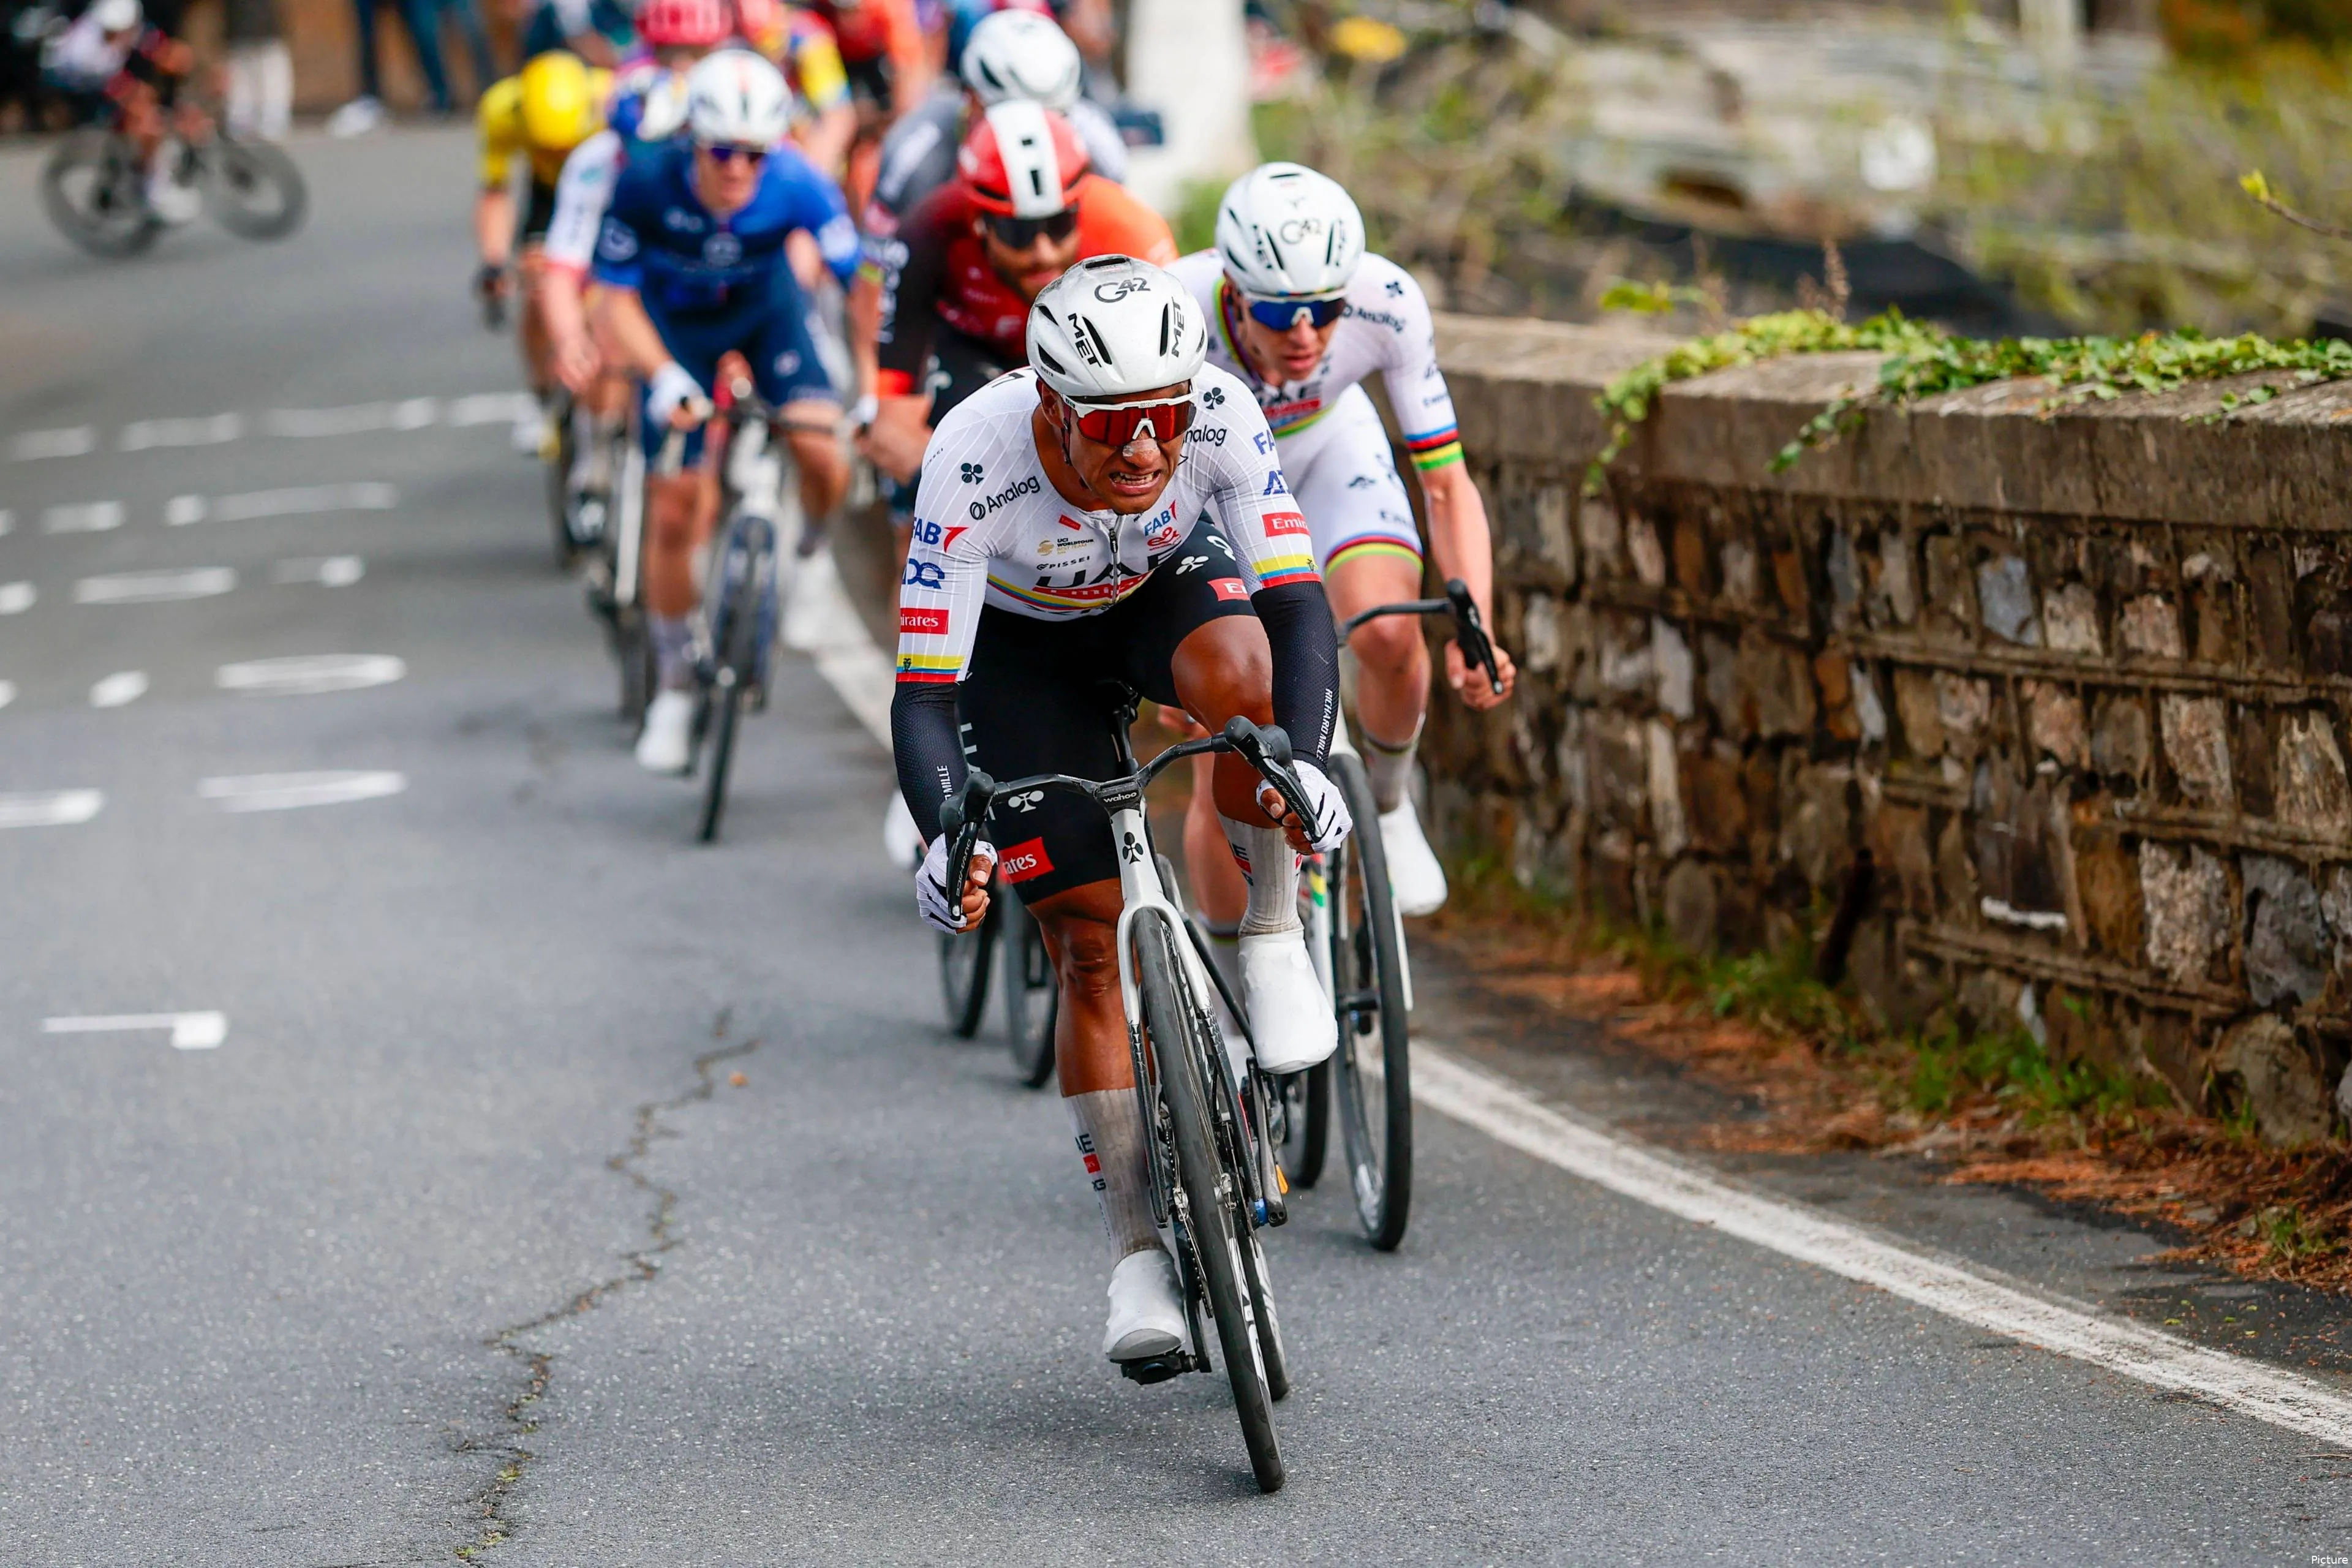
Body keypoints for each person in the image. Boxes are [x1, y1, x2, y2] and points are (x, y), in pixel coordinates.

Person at [890, 256, 1348, 1365]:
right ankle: (1138, 1251)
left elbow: (1296, 606)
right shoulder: (970, 458)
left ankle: (1274, 932)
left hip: (1162, 594)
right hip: (1017, 651)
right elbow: (926, 695)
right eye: (1112, 424)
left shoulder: (1223, 417)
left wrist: (1308, 765)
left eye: (1164, 416)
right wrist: (951, 836)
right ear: (1051, 405)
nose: (1145, 447)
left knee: (1246, 691)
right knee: (1087, 949)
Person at [1167, 162, 1517, 938]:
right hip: (1207, 486)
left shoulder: (1387, 302)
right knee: (1221, 730)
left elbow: (1447, 485)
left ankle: (1389, 805)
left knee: (1391, 631)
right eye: (1279, 311)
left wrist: (1477, 623)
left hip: (1327, 450)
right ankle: (1238, 975)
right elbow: (1130, 494)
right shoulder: (1175, 313)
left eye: (1324, 310)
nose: (1305, 334)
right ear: (1233, 289)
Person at [589, 47, 858, 772]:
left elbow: (860, 284)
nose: (739, 168)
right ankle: (674, 685)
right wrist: (665, 377)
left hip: (767, 320)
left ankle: (808, 556)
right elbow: (613, 299)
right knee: (675, 509)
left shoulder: (798, 182)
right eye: (722, 153)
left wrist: (871, 384)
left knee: (823, 449)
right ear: (692, 142)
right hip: (674, 337)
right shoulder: (645, 183)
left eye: (755, 154)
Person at [861, 100, 1170, 537]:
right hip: (974, 353)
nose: (1043, 251)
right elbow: (890, 427)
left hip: (1092, 364)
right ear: (979, 221)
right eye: (1018, 232)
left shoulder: (1130, 230)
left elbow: (1174, 404)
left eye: (1060, 224)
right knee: (920, 525)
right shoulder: (928, 232)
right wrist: (982, 503)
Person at [539, 0, 731, 514]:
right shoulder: (596, 163)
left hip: (677, 270)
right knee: (603, 324)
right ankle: (596, 445)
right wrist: (569, 339)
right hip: (620, 270)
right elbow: (563, 268)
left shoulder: (709, 159)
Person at [475, 50, 613, 453]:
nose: (558, 155)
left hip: (605, 188)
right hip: (548, 195)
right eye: (546, 148)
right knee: (538, 281)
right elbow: (496, 192)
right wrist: (495, 261)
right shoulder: (501, 110)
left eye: (564, 147)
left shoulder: (613, 101)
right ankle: (540, 398)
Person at [42, 0, 202, 222]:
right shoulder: (86, 50)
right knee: (148, 122)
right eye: (114, 33)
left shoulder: (130, 24)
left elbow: (163, 50)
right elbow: (115, 87)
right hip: (79, 86)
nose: (122, 36)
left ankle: (150, 159)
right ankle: (150, 186)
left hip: (107, 73)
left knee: (175, 62)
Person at [219, 0, 290, 141]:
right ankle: (247, 118)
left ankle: (270, 117)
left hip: (254, 28)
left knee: (266, 72)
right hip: (244, 27)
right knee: (245, 75)